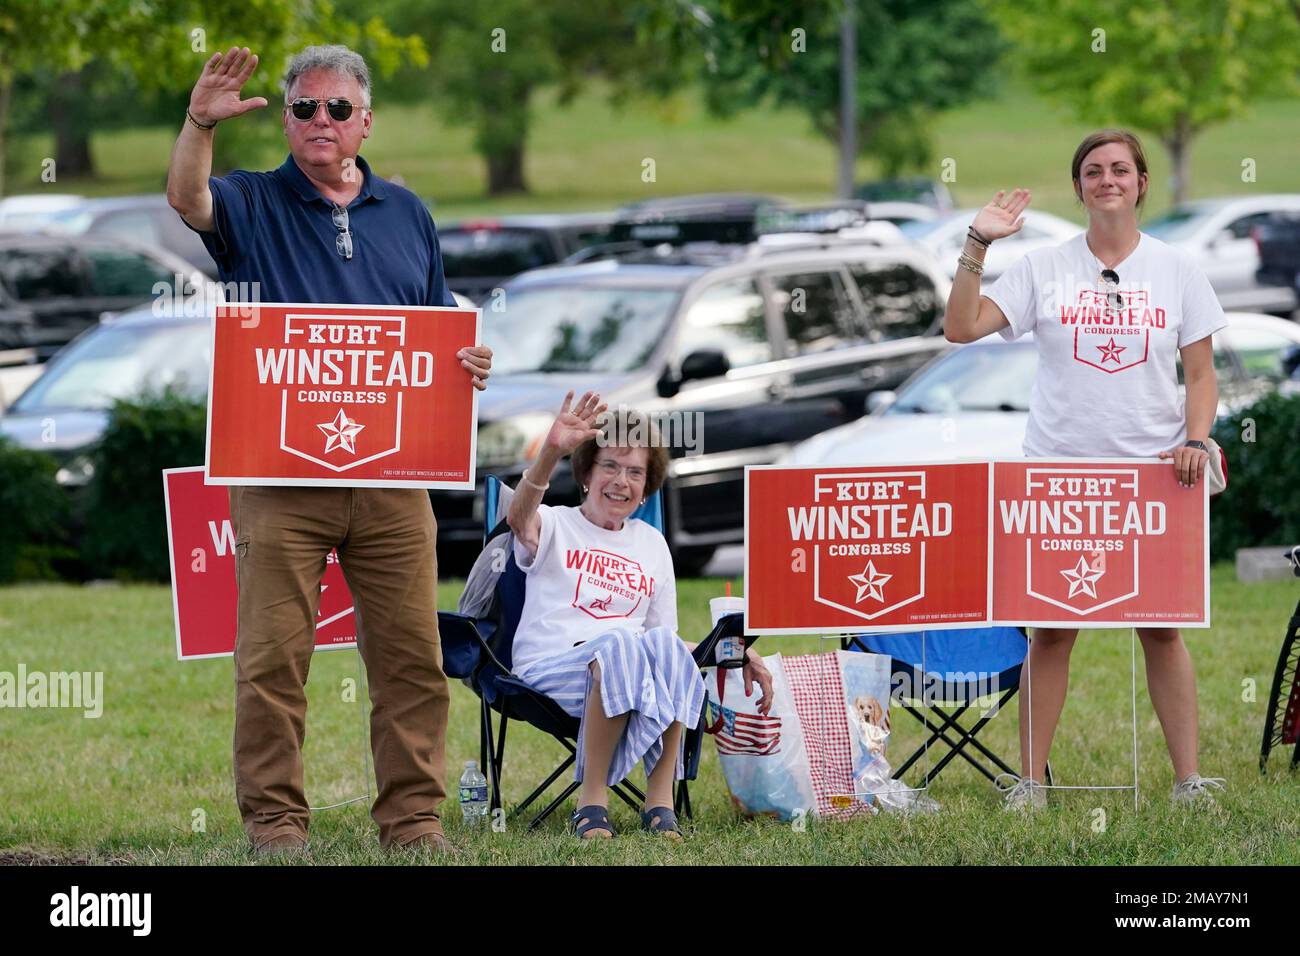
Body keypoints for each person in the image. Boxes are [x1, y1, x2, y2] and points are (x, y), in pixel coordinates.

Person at [166, 44, 493, 854]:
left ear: (365, 122)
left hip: (392, 478)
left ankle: (414, 823)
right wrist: (198, 123)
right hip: (279, 479)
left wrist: (466, 363)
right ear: (285, 119)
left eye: (337, 109)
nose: (320, 120)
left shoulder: (408, 214)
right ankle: (276, 825)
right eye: (305, 107)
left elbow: (430, 328)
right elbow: (186, 197)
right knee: (271, 663)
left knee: (413, 661)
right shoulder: (253, 201)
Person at [942, 128, 1226, 810]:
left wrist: (1195, 439)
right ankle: (1030, 783)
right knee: (1052, 630)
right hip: (1059, 476)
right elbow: (959, 327)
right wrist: (977, 243)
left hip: (1152, 478)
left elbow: (1201, 373)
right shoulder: (1045, 267)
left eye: (1120, 169)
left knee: (1162, 627)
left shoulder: (1178, 270)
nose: (1107, 180)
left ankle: (1190, 781)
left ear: (1142, 182)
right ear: (1079, 187)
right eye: (1094, 171)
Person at [506, 392, 774, 840]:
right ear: (587, 472)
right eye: (609, 466)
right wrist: (551, 450)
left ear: (647, 486)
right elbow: (518, 518)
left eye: (635, 472)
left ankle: (660, 801)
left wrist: (736, 652)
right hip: (551, 671)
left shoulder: (651, 544)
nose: (621, 481)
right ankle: (591, 802)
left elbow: (663, 641)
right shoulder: (554, 524)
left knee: (659, 645)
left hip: (627, 672)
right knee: (619, 643)